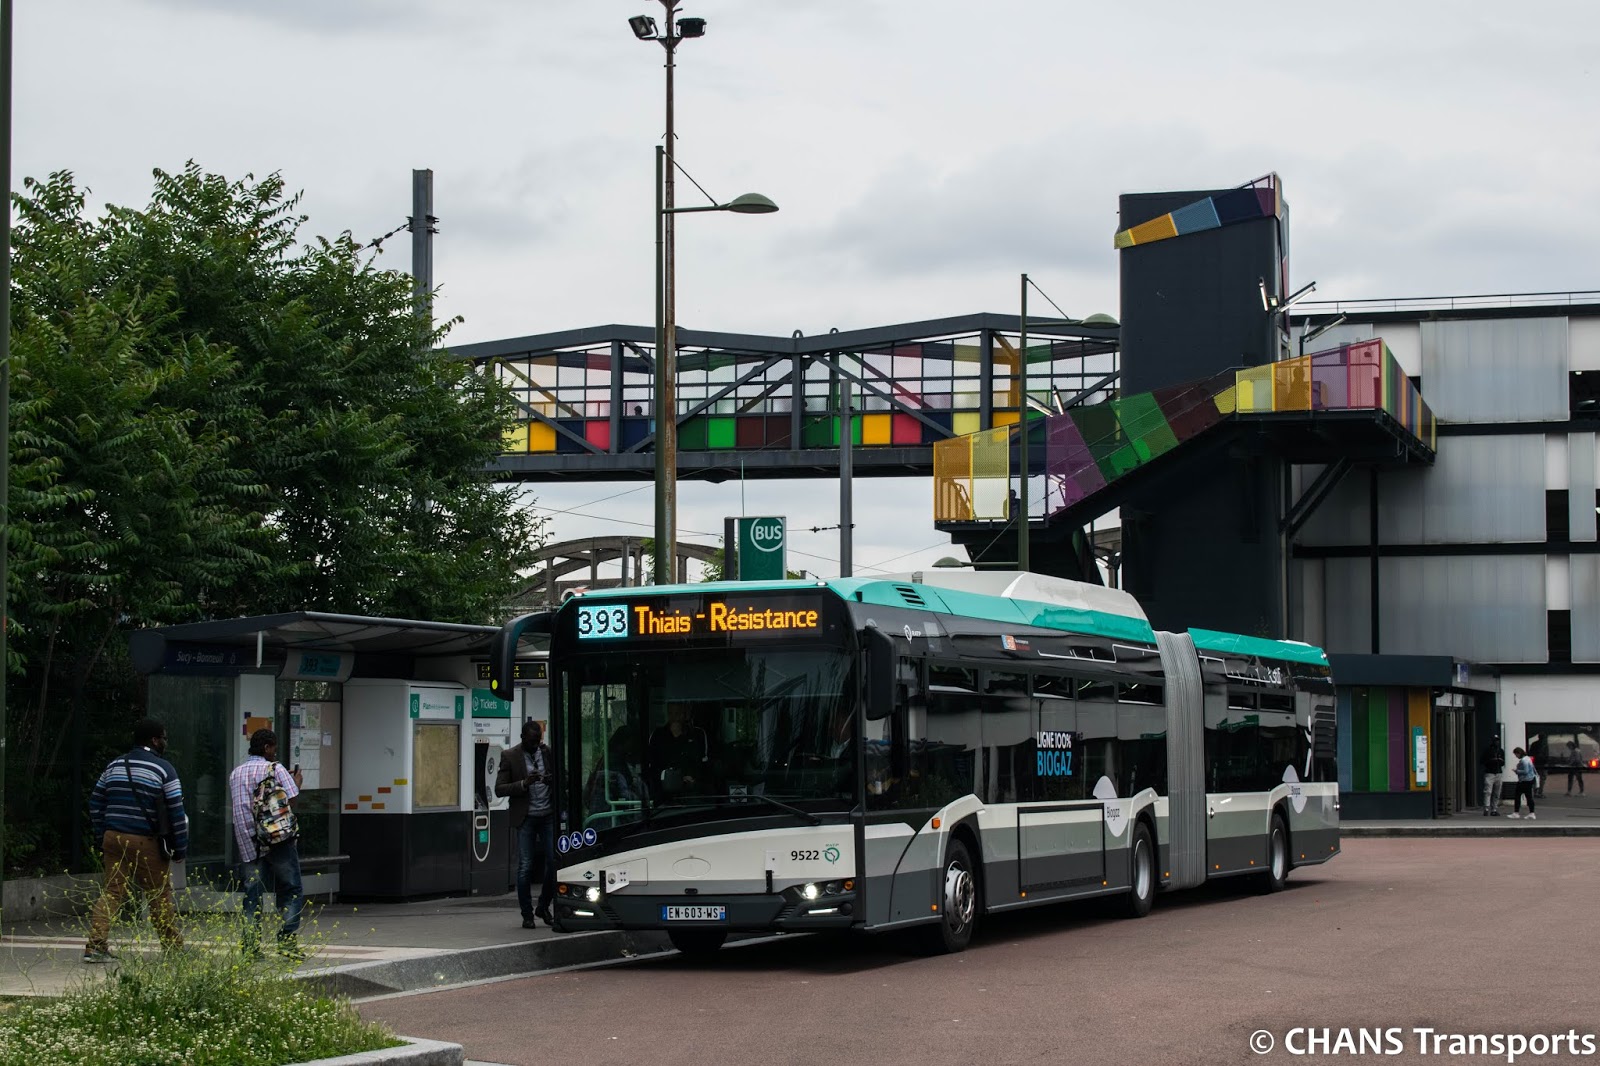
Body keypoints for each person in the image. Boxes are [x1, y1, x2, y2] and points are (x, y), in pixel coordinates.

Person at [83, 718, 189, 962]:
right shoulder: (164, 769)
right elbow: (175, 811)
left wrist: (103, 833)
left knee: (112, 891)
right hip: (144, 840)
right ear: (154, 740)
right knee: (159, 894)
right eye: (163, 738)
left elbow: (95, 801)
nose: (165, 742)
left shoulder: (114, 765)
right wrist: (180, 847)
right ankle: (173, 947)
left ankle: (95, 946)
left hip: (113, 837)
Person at [228, 728, 305, 960]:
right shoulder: (275, 768)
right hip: (276, 839)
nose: (275, 752)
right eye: (273, 748)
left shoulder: (236, 773)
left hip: (248, 841)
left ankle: (251, 948)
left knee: (252, 894)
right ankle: (286, 942)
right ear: (267, 747)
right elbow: (291, 799)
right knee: (290, 888)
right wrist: (297, 782)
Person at [496, 720, 558, 928]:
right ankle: (527, 915)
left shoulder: (547, 752)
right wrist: (524, 784)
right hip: (526, 817)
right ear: (523, 738)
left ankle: (543, 906)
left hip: (548, 814)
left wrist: (551, 781)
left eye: (538, 741)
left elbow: (562, 777)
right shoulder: (510, 756)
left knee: (554, 862)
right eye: (531, 742)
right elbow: (500, 789)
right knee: (525, 867)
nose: (535, 745)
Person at [647, 703, 710, 800]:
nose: (675, 717)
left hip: (692, 793)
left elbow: (703, 763)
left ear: (685, 713)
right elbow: (653, 763)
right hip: (664, 793)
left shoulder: (698, 734)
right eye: (671, 713)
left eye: (678, 713)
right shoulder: (657, 735)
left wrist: (692, 777)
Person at [1507, 746, 1538, 820]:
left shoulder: (1524, 761)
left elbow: (1526, 771)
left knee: (1517, 796)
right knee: (1529, 797)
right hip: (1530, 780)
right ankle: (1531, 813)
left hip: (1524, 781)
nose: (1516, 756)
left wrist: (1517, 771)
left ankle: (1516, 812)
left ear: (1519, 753)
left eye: (1516, 754)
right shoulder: (1528, 758)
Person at [1480, 740, 1506, 816]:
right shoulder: (1488, 751)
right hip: (1490, 772)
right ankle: (1486, 808)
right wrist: (1491, 761)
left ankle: (1494, 808)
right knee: (1488, 791)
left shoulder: (1501, 751)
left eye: (1497, 741)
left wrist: (1499, 761)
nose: (1497, 742)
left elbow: (1503, 762)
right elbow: (1482, 761)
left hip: (1498, 772)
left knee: (1497, 792)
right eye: (1495, 741)